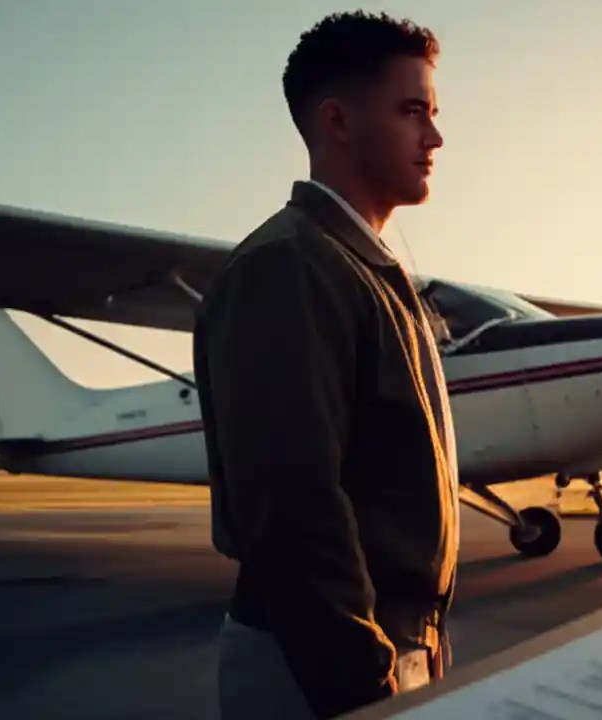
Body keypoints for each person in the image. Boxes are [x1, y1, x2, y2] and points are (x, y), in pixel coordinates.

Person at [192, 10, 458, 719]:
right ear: (337, 121)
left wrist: (422, 649)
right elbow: (293, 511)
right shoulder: (289, 267)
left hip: (381, 651)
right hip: (322, 669)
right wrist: (365, 689)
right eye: (412, 112)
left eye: (432, 114)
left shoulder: (361, 267)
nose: (435, 138)